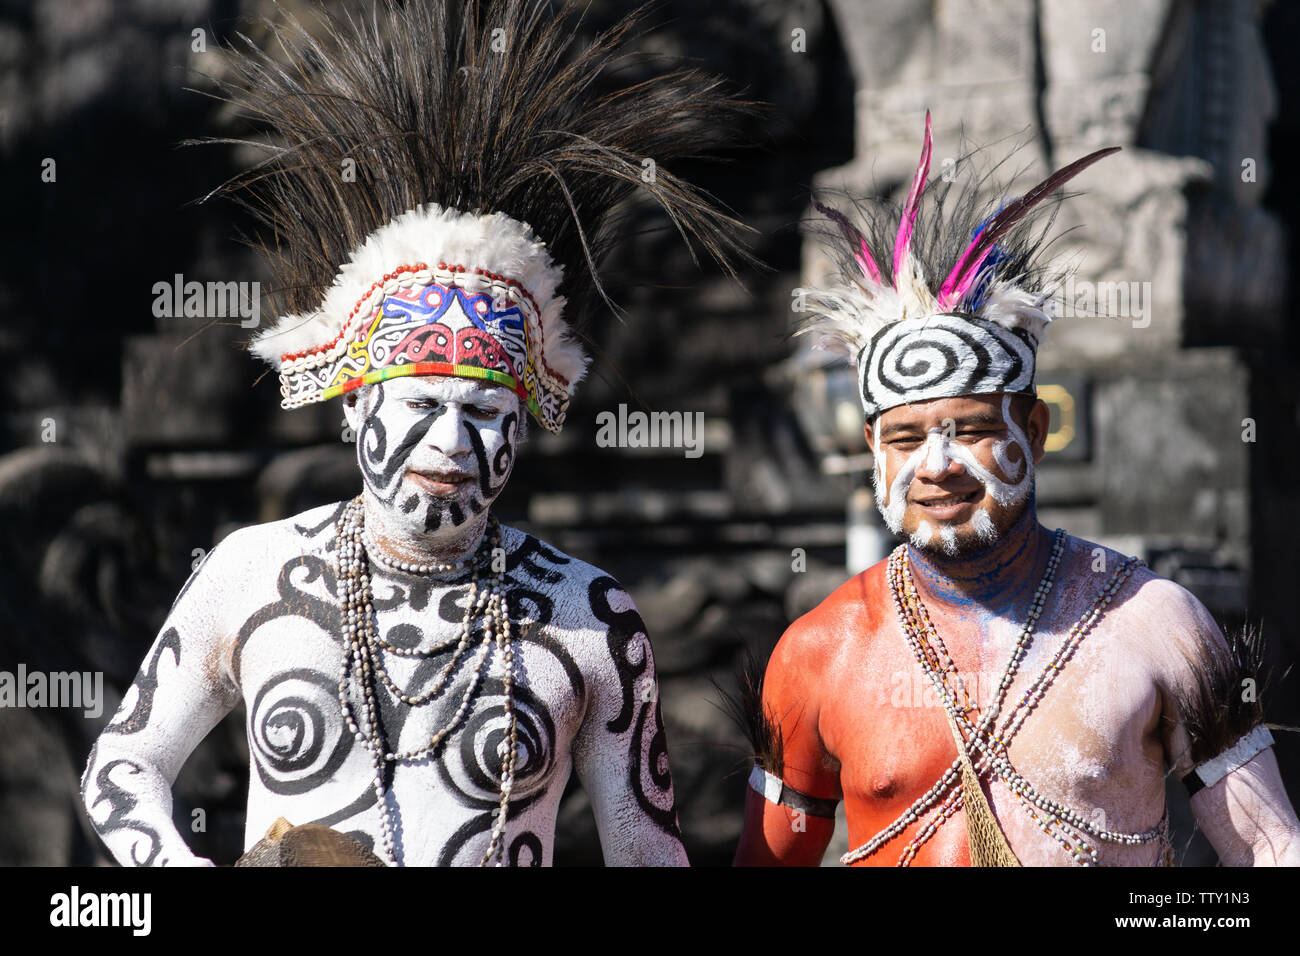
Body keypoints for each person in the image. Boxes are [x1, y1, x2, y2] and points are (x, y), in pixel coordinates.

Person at [82, 0, 752, 867]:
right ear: (357, 405)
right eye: (422, 406)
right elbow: (123, 764)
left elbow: (649, 855)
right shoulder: (249, 572)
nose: (450, 444)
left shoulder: (587, 618)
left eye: (483, 414)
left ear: (522, 428)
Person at [734, 113, 1300, 866]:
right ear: (872, 447)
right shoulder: (819, 652)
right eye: (905, 439)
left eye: (969, 430)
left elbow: (1271, 853)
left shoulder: (1153, 624)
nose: (936, 466)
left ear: (1033, 431)